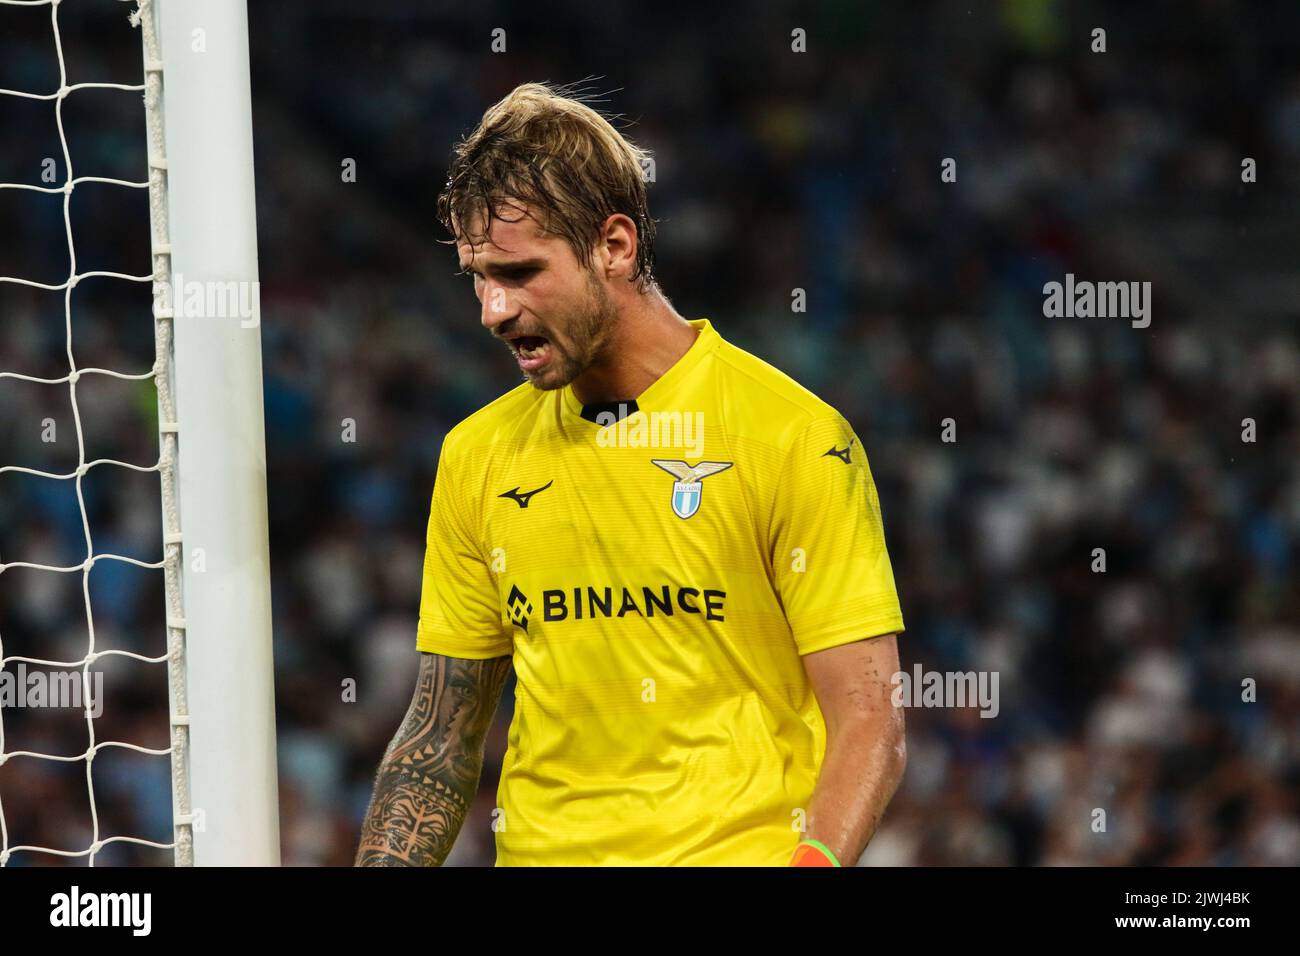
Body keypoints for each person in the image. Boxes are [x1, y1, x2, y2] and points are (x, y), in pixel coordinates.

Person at [356, 82, 906, 866]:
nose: (492, 309)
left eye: (518, 271)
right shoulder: (476, 456)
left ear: (614, 246)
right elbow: (441, 735)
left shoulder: (792, 437)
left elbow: (870, 718)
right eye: (477, 276)